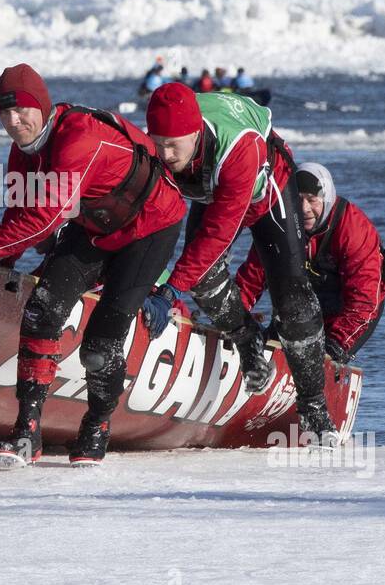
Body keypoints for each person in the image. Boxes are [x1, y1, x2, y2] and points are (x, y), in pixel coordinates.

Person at [0, 64, 185, 466]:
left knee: (100, 345)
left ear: (43, 107)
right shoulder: (22, 153)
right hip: (93, 227)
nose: (15, 121)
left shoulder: (78, 138)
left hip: (148, 231)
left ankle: (97, 425)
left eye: (23, 110)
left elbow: (46, 220)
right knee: (41, 312)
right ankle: (27, 432)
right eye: (4, 113)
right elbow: (18, 214)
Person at [140, 83, 338, 440]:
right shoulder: (153, 149)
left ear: (196, 132)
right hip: (214, 189)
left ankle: (314, 409)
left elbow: (217, 235)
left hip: (267, 189)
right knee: (203, 282)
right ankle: (247, 339)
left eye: (174, 145)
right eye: (159, 143)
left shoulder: (238, 148)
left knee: (293, 301)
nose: (165, 154)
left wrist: (169, 293)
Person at [235, 163, 385, 364]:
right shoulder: (279, 223)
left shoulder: (354, 230)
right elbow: (252, 278)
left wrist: (336, 345)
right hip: (300, 301)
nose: (304, 209)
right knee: (269, 342)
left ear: (327, 199)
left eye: (312, 200)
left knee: (322, 356)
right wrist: (234, 318)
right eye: (298, 200)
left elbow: (364, 301)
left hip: (352, 308)